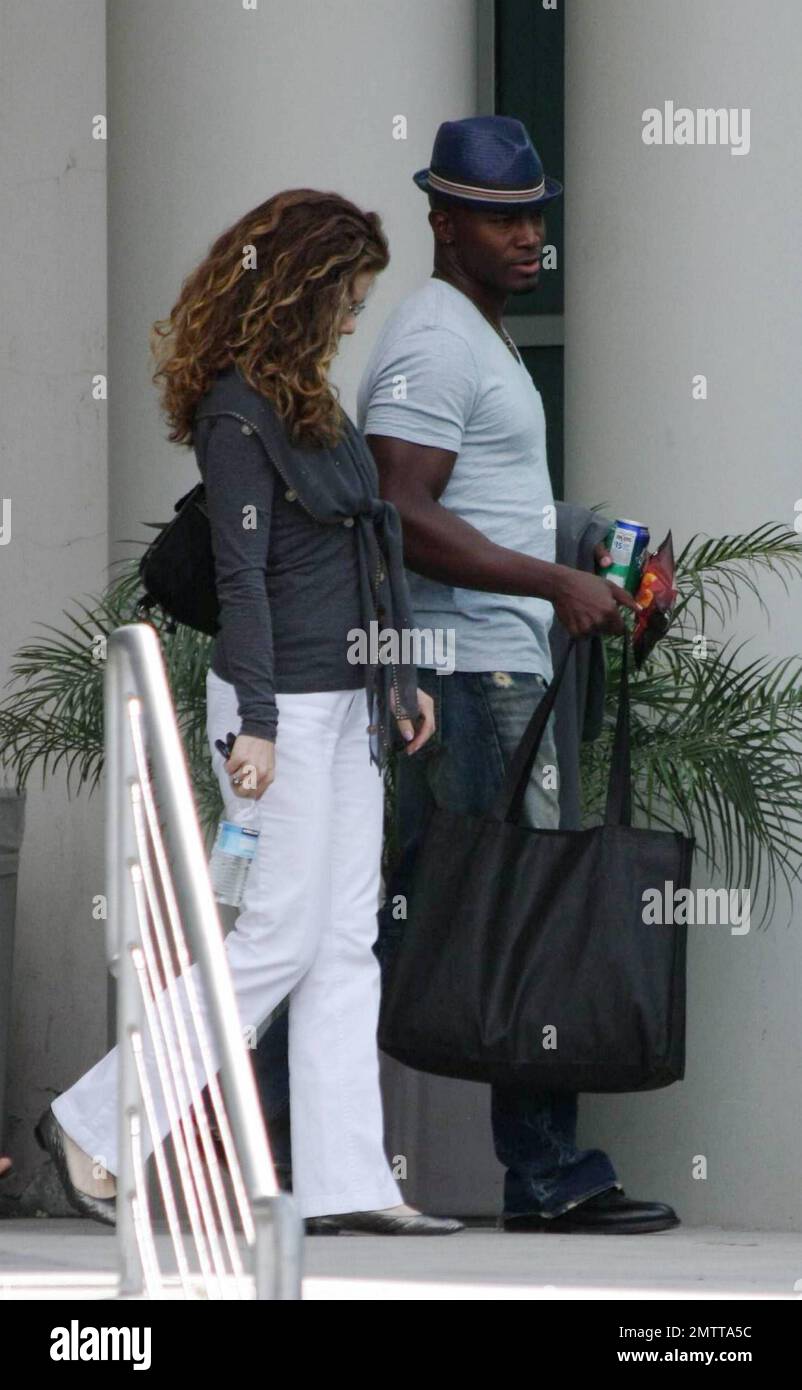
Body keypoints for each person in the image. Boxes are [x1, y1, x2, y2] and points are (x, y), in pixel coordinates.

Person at [34, 188, 462, 1236]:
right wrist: (257, 725)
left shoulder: (316, 402)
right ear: (305, 293)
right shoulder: (237, 414)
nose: (360, 316)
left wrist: (396, 673)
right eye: (349, 297)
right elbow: (248, 582)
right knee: (276, 934)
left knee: (345, 939)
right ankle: (94, 1121)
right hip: (276, 705)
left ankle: (347, 1180)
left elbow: (363, 555)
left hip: (350, 700)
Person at [356, 116, 680, 1235]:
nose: (527, 236)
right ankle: (541, 1175)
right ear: (443, 223)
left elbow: (480, 504)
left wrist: (597, 551)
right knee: (487, 919)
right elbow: (399, 512)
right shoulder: (436, 337)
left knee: (430, 921)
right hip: (472, 679)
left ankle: (271, 1135)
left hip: (499, 671)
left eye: (535, 214)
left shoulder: (480, 338)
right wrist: (553, 583)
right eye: (501, 218)